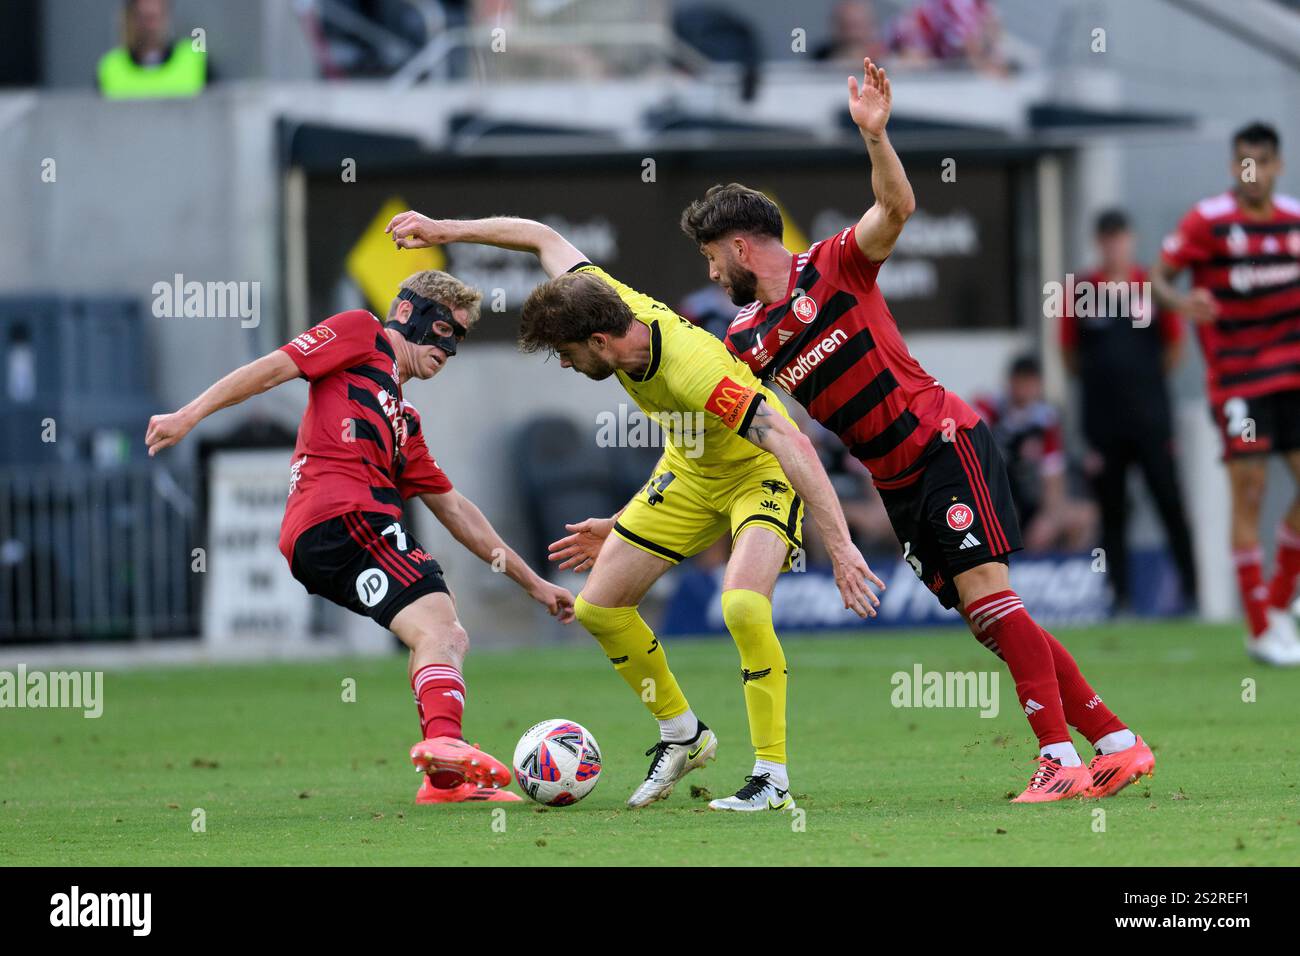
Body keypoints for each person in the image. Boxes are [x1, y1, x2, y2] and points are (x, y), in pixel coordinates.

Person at [679, 58, 1153, 802]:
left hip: (944, 443)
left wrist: (876, 136)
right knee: (989, 621)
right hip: (895, 483)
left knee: (995, 600)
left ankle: (1059, 759)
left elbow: (896, 208)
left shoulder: (834, 265)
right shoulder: (746, 341)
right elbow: (741, 426)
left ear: (741, 249)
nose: (712, 275)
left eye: (712, 259)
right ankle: (1118, 743)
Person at [385, 210, 884, 812]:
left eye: (567, 355)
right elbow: (542, 237)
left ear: (597, 342)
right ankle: (683, 734)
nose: (566, 366)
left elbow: (792, 441)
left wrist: (843, 546)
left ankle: (770, 779)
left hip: (759, 474)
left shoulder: (693, 369)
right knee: (598, 608)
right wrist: (444, 231)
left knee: (743, 605)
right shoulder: (602, 298)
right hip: (689, 473)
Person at [145, 271, 575, 804]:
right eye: (444, 328)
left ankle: (444, 779)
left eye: (459, 338)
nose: (450, 347)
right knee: (442, 626)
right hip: (342, 516)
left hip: (327, 537)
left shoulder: (404, 422)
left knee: (442, 633)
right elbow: (273, 369)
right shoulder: (360, 332)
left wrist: (533, 584)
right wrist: (188, 416)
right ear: (406, 313)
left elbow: (456, 511)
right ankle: (446, 751)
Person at [1152, 122, 1300, 666]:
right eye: (1242, 161)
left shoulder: (1293, 220)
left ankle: (1279, 602)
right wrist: (1179, 301)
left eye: (1260, 161)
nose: (1251, 172)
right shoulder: (1207, 221)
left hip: (1294, 377)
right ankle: (1260, 627)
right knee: (1252, 487)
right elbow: (1159, 277)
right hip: (1238, 381)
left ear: (1277, 165)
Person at [1061, 209, 1197, 612]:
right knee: (1113, 512)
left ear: (1131, 240)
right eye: (1107, 240)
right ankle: (1120, 598)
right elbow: (1069, 354)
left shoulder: (1151, 287)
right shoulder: (1081, 290)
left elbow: (1175, 348)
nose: (1114, 247)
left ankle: (1192, 592)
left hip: (1152, 422)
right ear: (1098, 243)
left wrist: (1144, 384)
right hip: (1104, 426)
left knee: (1170, 503)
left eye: (1120, 239)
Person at [975, 355, 1097, 554]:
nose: (1025, 389)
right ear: (1011, 382)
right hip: (993, 503)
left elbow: (1053, 477)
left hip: (1031, 503)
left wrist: (1050, 516)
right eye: (1021, 382)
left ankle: (1063, 575)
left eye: (1030, 382)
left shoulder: (1046, 421)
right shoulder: (988, 410)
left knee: (1085, 516)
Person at [98, 0, 209, 100]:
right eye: (145, 16)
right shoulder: (111, 67)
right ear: (131, 15)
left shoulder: (194, 59)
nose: (150, 24)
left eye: (155, 16)